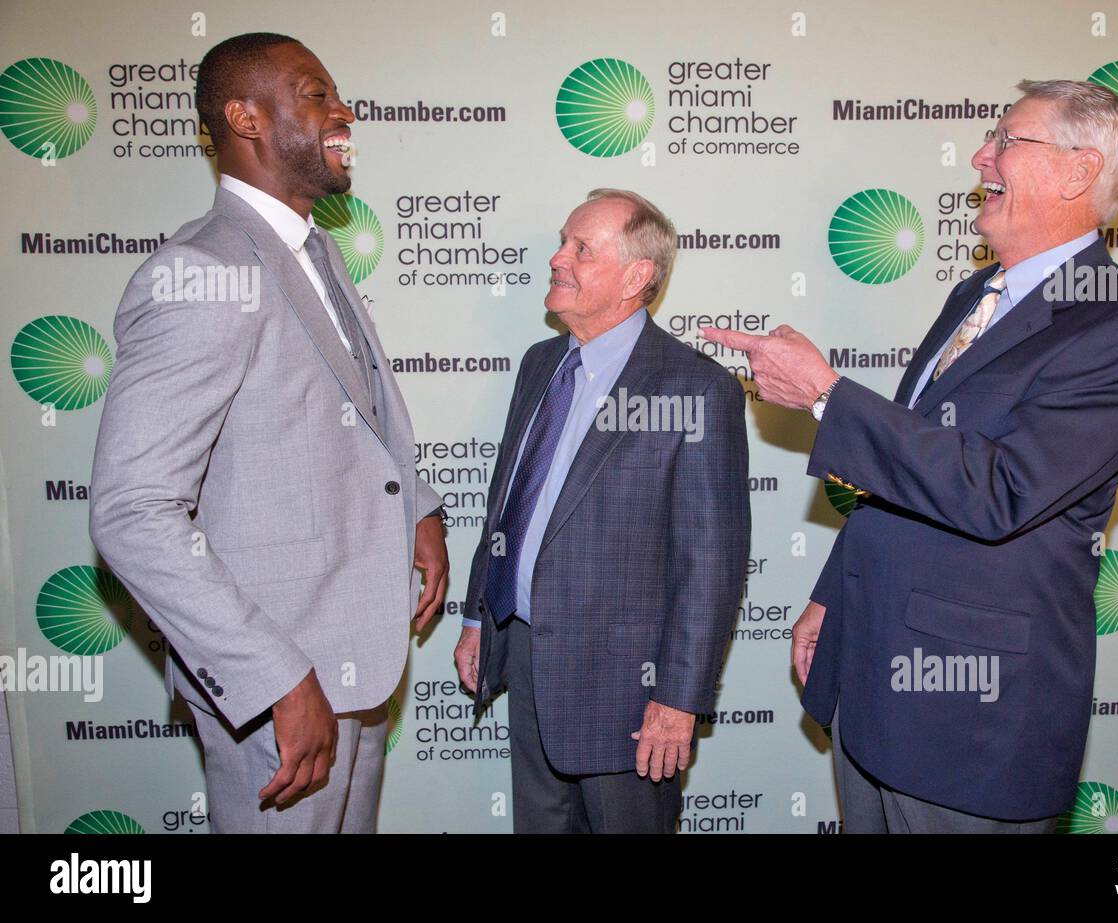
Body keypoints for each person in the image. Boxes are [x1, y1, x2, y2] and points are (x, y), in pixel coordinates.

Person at [702, 80, 1118, 833]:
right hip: (872, 681)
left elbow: (1000, 490)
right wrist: (836, 590)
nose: (978, 156)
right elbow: (908, 467)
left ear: (1078, 172)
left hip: (972, 726)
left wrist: (827, 394)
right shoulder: (974, 295)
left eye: (1006, 139)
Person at [89, 33, 449, 833]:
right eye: (314, 93)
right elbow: (132, 510)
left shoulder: (315, 249)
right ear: (245, 118)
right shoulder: (204, 273)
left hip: (351, 659)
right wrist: (279, 678)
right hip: (284, 691)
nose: (343, 110)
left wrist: (416, 507)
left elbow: (350, 408)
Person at [454, 189, 750, 833]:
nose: (558, 258)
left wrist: (678, 698)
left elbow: (712, 565)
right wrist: (480, 616)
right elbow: (507, 502)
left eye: (581, 248)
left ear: (637, 277)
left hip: (629, 688)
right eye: (563, 241)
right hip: (528, 658)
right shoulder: (540, 364)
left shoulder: (696, 388)